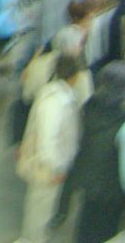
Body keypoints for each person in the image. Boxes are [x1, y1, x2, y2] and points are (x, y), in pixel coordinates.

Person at [51, 61, 125, 243]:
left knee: (86, 229)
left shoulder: (90, 107)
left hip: (89, 185)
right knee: (105, 232)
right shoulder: (120, 121)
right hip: (111, 192)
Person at [16, 53, 83, 243]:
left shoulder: (56, 94)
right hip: (47, 169)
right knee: (39, 213)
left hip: (48, 166)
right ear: (75, 76)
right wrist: (56, 168)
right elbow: (47, 143)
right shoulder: (56, 101)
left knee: (40, 210)